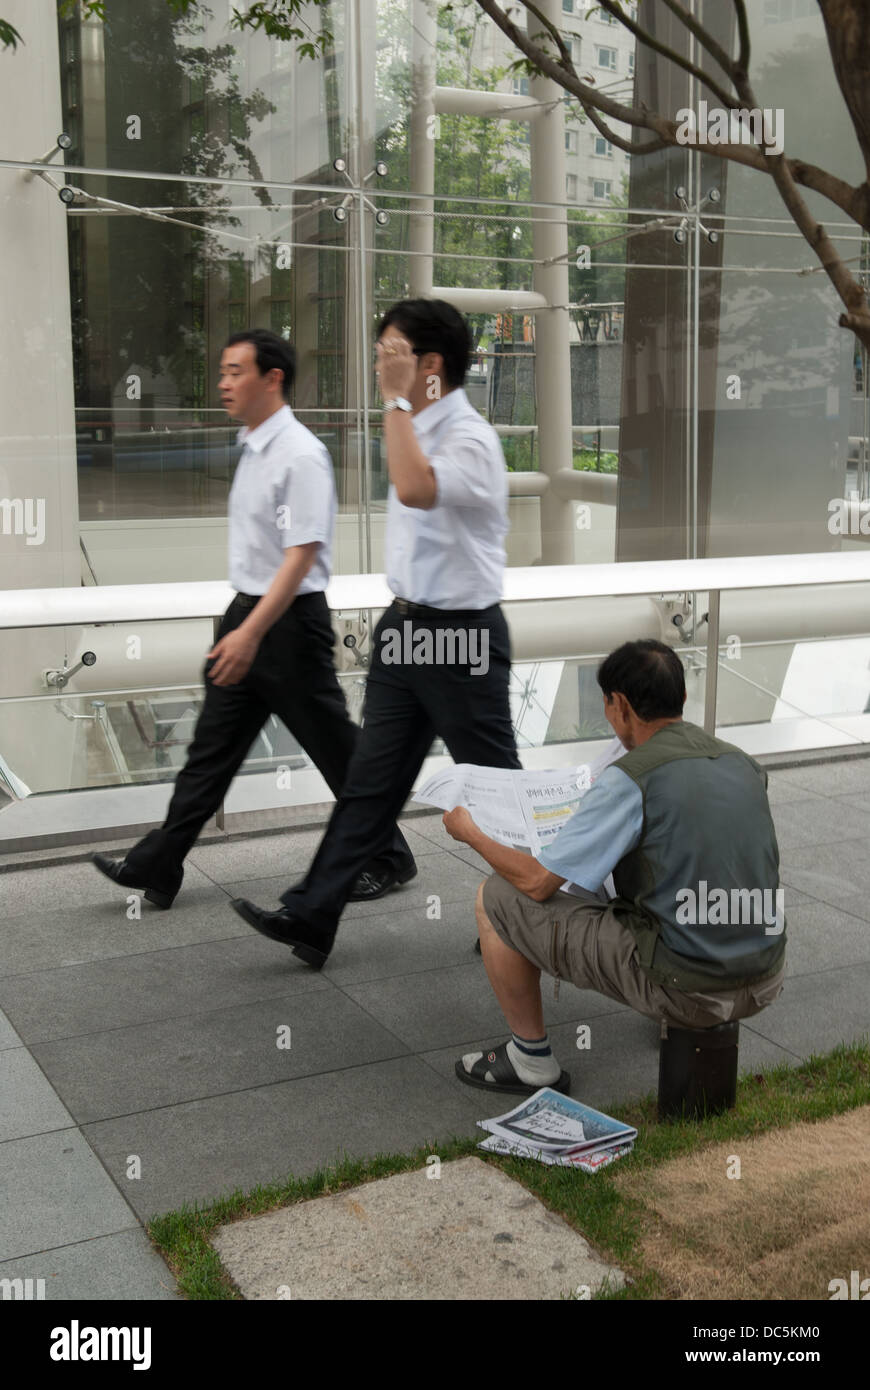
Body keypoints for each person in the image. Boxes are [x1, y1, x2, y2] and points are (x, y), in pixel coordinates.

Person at [232, 298, 521, 967]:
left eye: (392, 352)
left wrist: (395, 403)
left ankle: (526, 916)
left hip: (461, 637)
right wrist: (399, 407)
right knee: (370, 782)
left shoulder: (470, 438)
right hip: (407, 628)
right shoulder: (414, 427)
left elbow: (418, 489)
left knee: (499, 790)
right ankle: (311, 916)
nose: (379, 365)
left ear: (430, 366)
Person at [92, 328, 415, 910]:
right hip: (249, 615)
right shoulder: (256, 446)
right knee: (211, 754)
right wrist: (239, 625)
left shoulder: (301, 454)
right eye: (222, 371)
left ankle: (390, 855)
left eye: (236, 371)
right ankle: (160, 865)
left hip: (286, 626)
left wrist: (250, 632)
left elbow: (302, 554)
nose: (223, 383)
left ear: (273, 379)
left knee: (336, 750)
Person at [442, 639, 787, 1096]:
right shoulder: (742, 763)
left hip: (691, 988)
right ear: (682, 700)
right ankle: (681, 994)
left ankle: (529, 1060)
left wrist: (472, 833)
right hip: (764, 975)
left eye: (606, 704)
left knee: (497, 898)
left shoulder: (631, 776)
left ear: (619, 704)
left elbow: (538, 883)